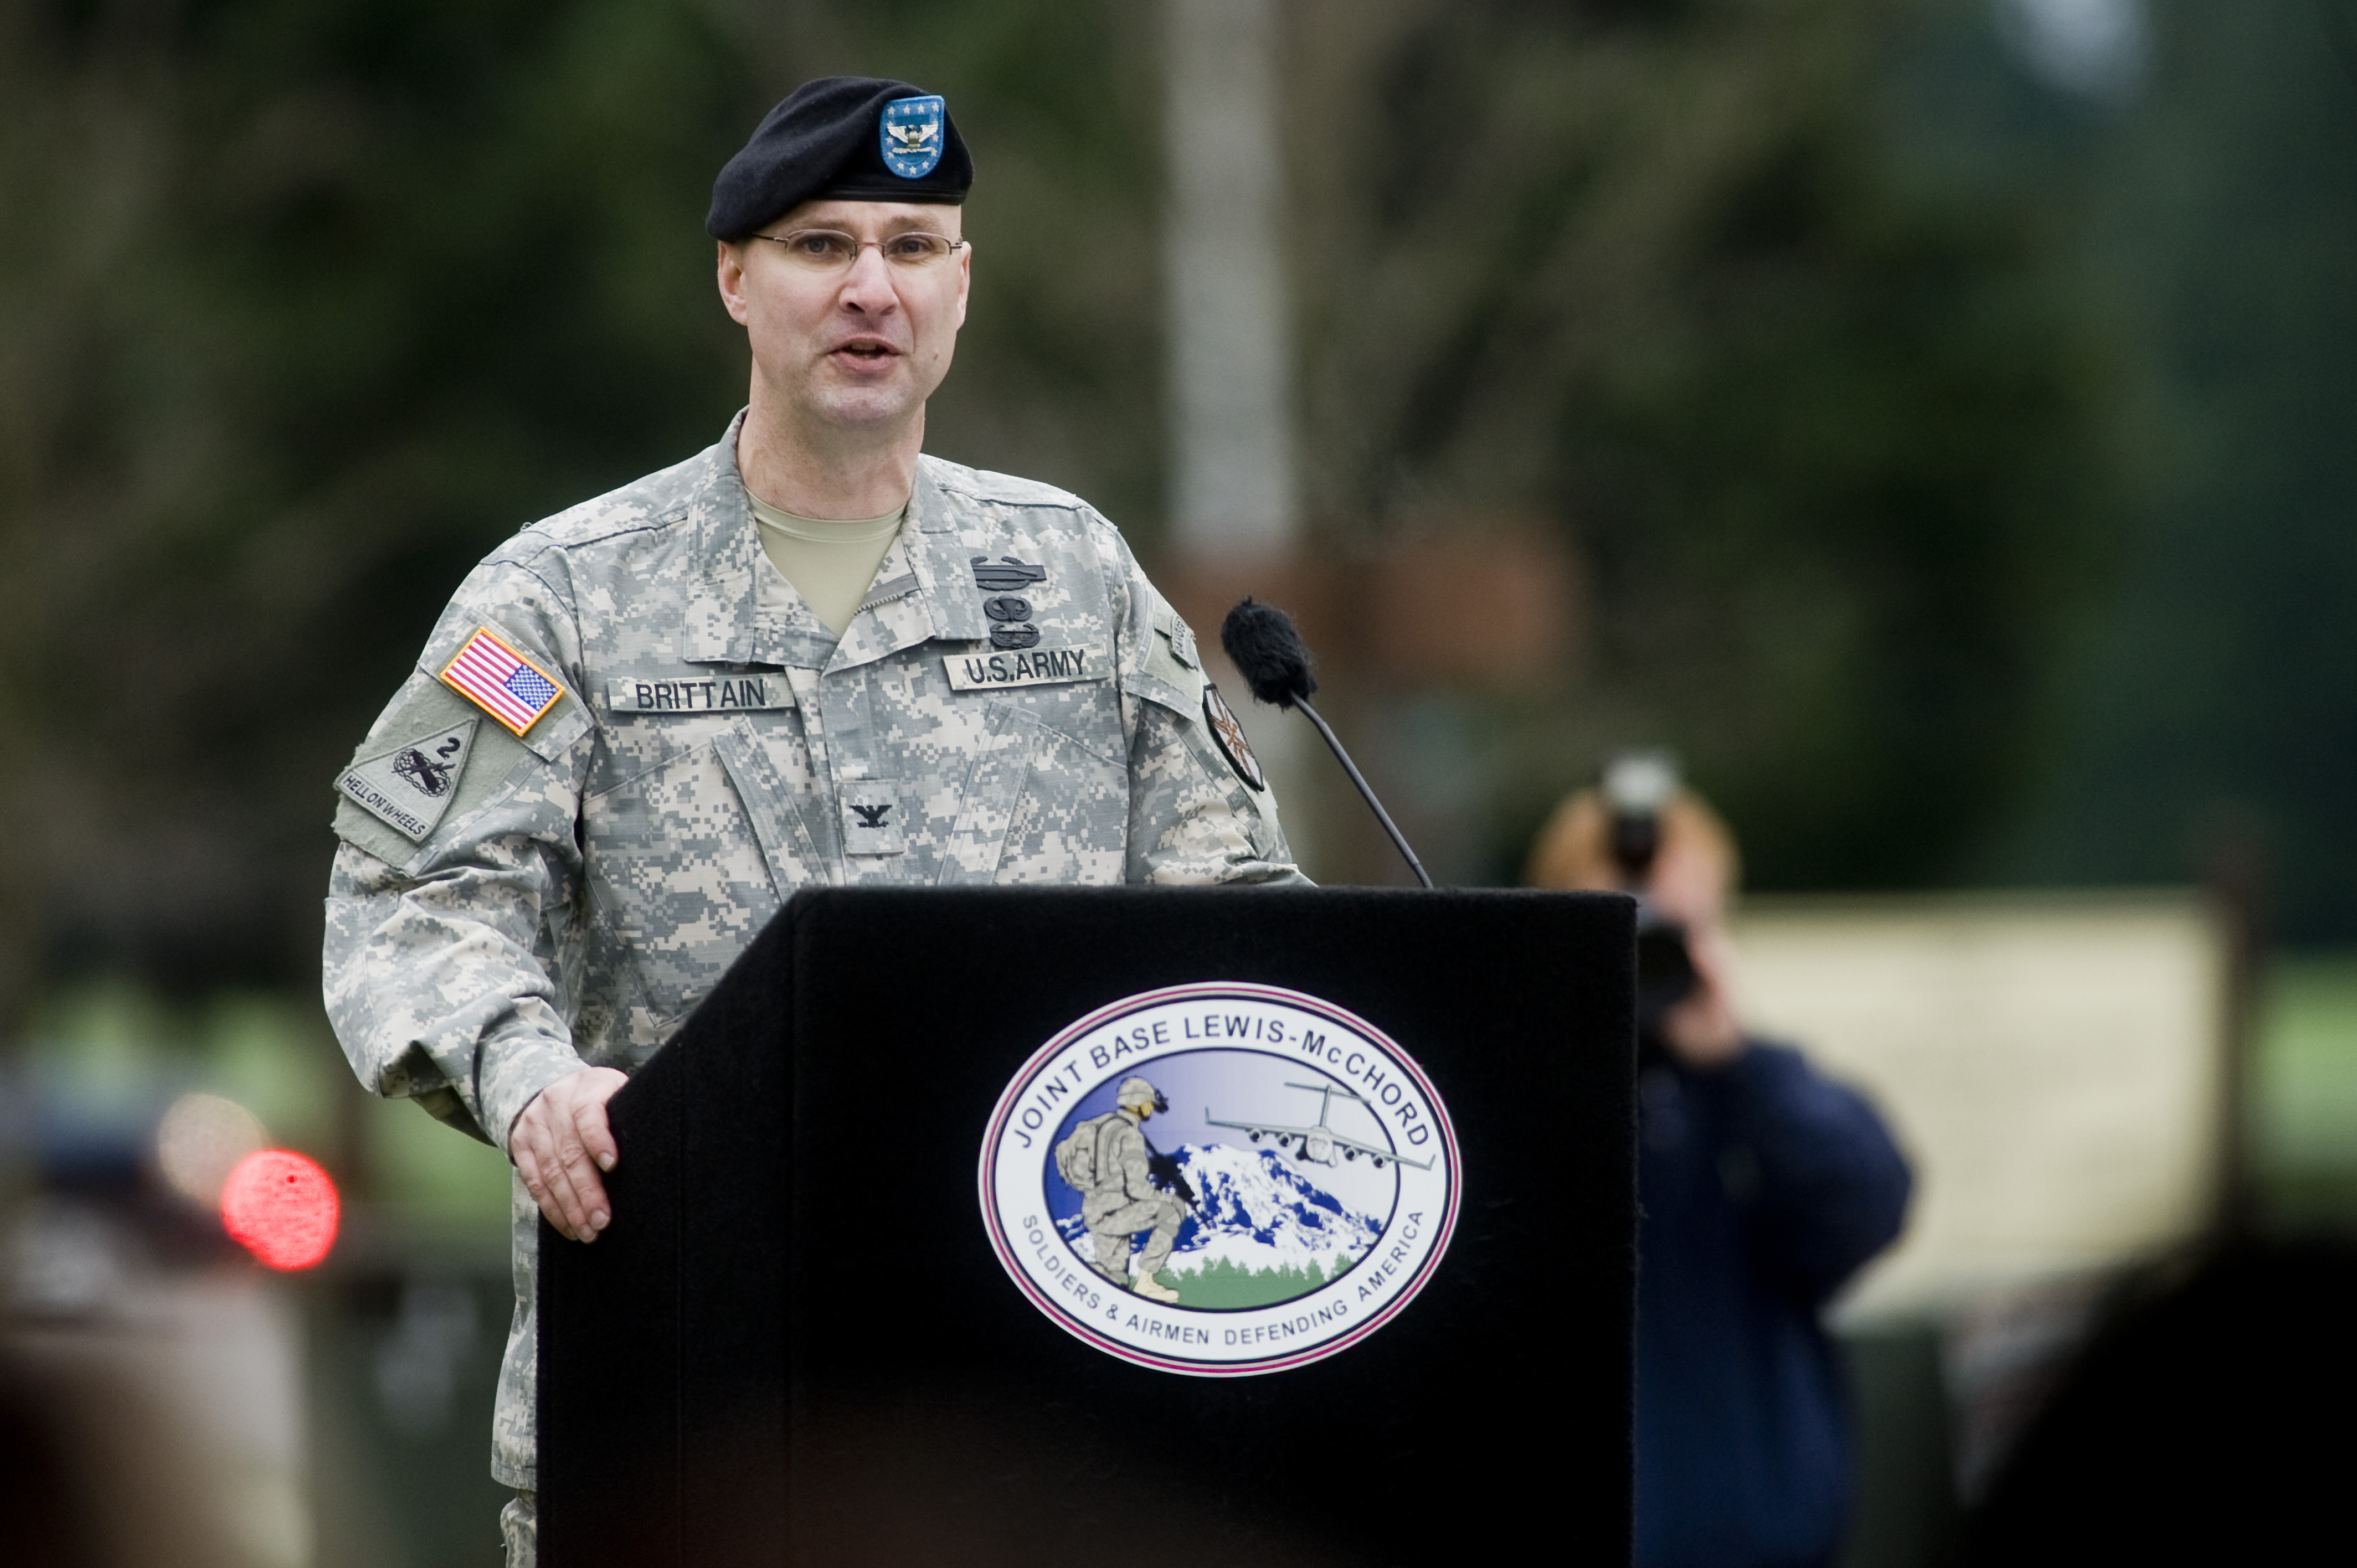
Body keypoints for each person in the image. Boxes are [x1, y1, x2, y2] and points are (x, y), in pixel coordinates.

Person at [321, 77, 1304, 1565]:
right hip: (685, 1399)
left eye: (914, 247)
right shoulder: (565, 596)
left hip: (1041, 1414)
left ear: (962, 287)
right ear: (733, 279)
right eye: (818, 245)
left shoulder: (1076, 577)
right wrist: (530, 1084)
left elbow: (1236, 912)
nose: (870, 289)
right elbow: (413, 901)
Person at [1527, 763, 1912, 1568]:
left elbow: (1866, 1211)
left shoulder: (1757, 1094)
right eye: (1623, 929)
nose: (1648, 955)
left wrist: (1739, 1063)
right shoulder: (1523, 1102)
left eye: (1672, 932)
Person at [1059, 1076, 1190, 1301]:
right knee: (1173, 1210)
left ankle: (1076, 1274)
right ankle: (1146, 1282)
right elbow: (1137, 1190)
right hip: (1117, 1211)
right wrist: (1167, 1197)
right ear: (1139, 1103)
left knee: (1114, 1280)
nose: (1151, 1107)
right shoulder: (1131, 1135)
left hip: (1096, 1209)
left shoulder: (1103, 1125)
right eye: (1148, 1102)